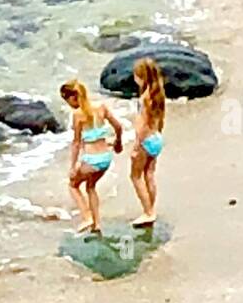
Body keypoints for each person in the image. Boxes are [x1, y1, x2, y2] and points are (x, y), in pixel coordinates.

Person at [59, 79, 123, 234]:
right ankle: (96, 223)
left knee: (73, 185)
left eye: (68, 101)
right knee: (90, 187)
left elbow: (76, 143)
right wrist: (117, 143)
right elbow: (118, 126)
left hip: (92, 160)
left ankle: (87, 217)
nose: (70, 105)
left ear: (73, 98)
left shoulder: (78, 115)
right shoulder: (101, 107)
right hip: (106, 159)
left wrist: (73, 166)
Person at [130, 56, 165, 227]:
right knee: (149, 175)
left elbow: (142, 125)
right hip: (157, 138)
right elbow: (159, 121)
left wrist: (136, 145)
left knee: (135, 176)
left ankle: (148, 212)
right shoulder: (158, 94)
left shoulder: (145, 98)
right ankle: (151, 208)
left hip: (146, 140)